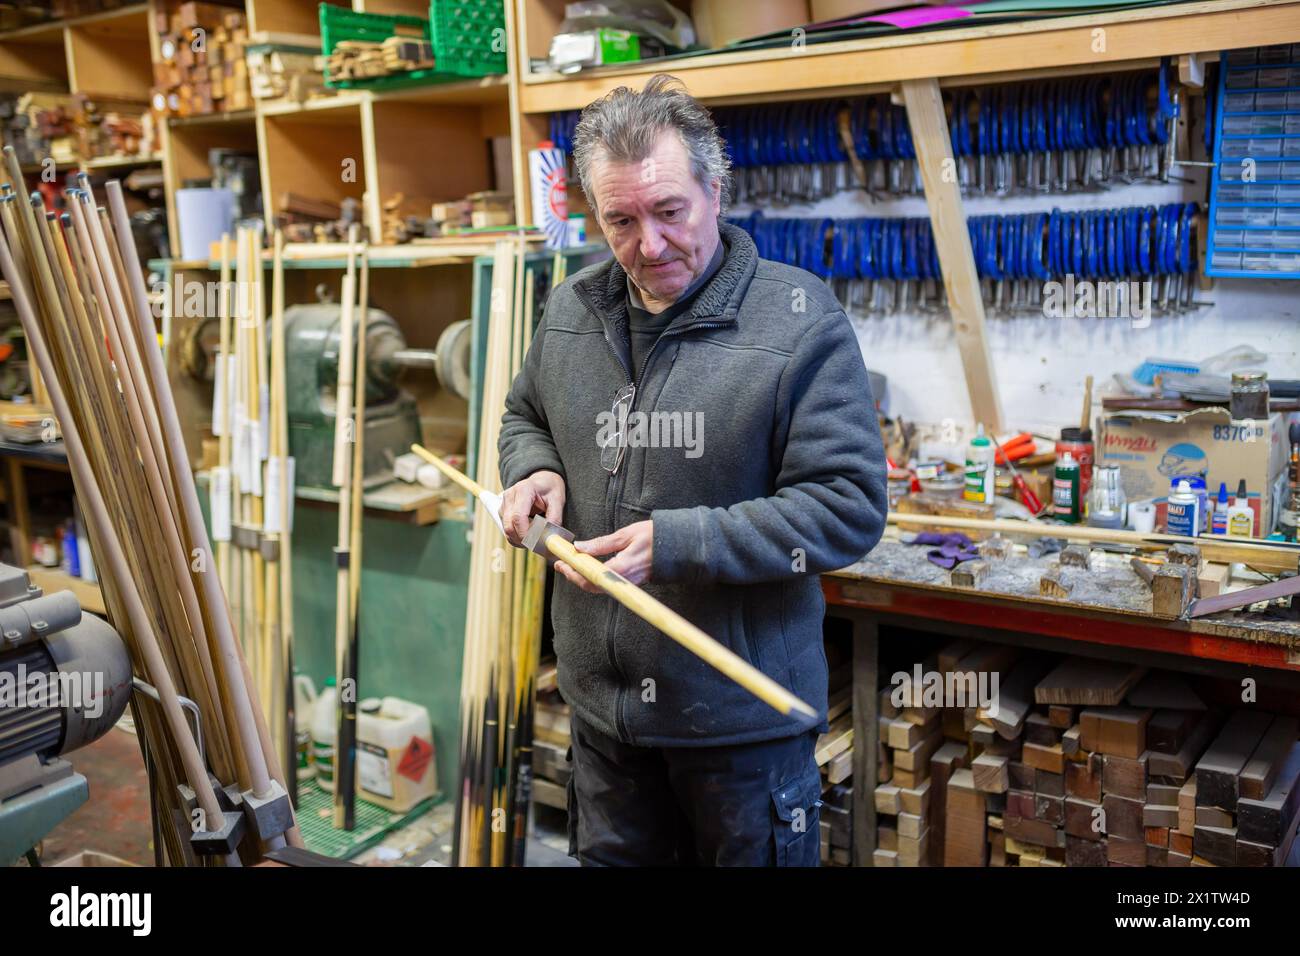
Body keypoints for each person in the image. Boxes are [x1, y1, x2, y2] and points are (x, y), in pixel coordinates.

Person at [497, 74, 886, 866]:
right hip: (606, 726)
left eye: (670, 211)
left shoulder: (797, 323)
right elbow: (524, 416)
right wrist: (534, 469)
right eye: (621, 220)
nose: (649, 244)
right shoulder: (572, 309)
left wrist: (677, 544)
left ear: (715, 192)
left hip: (740, 732)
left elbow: (847, 507)